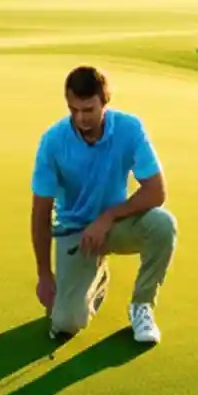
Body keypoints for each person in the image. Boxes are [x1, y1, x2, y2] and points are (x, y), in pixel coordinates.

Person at [30, 65, 177, 344]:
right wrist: (44, 275)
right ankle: (96, 277)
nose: (80, 118)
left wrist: (107, 217)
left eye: (88, 110)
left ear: (104, 102)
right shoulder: (52, 141)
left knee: (163, 224)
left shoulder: (129, 129)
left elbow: (156, 191)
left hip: (116, 226)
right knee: (65, 323)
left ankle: (141, 305)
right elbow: (40, 213)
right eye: (74, 110)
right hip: (75, 232)